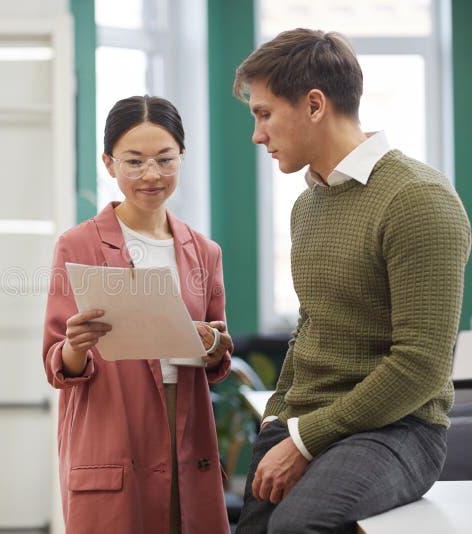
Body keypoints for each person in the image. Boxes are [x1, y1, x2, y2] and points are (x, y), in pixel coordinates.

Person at [232, 28, 472, 533]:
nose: (257, 135)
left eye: (264, 114)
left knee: (297, 527)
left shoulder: (418, 199)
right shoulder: (308, 205)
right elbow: (311, 324)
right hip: (306, 420)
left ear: (314, 104)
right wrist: (278, 420)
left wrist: (304, 440)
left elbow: (421, 367)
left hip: (399, 429)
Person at [42, 95, 233, 534]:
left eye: (165, 160)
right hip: (113, 423)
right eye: (134, 162)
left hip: (184, 422)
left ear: (182, 158)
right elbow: (57, 364)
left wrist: (210, 343)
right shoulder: (78, 246)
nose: (151, 175)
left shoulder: (204, 251)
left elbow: (218, 354)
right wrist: (74, 345)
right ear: (109, 164)